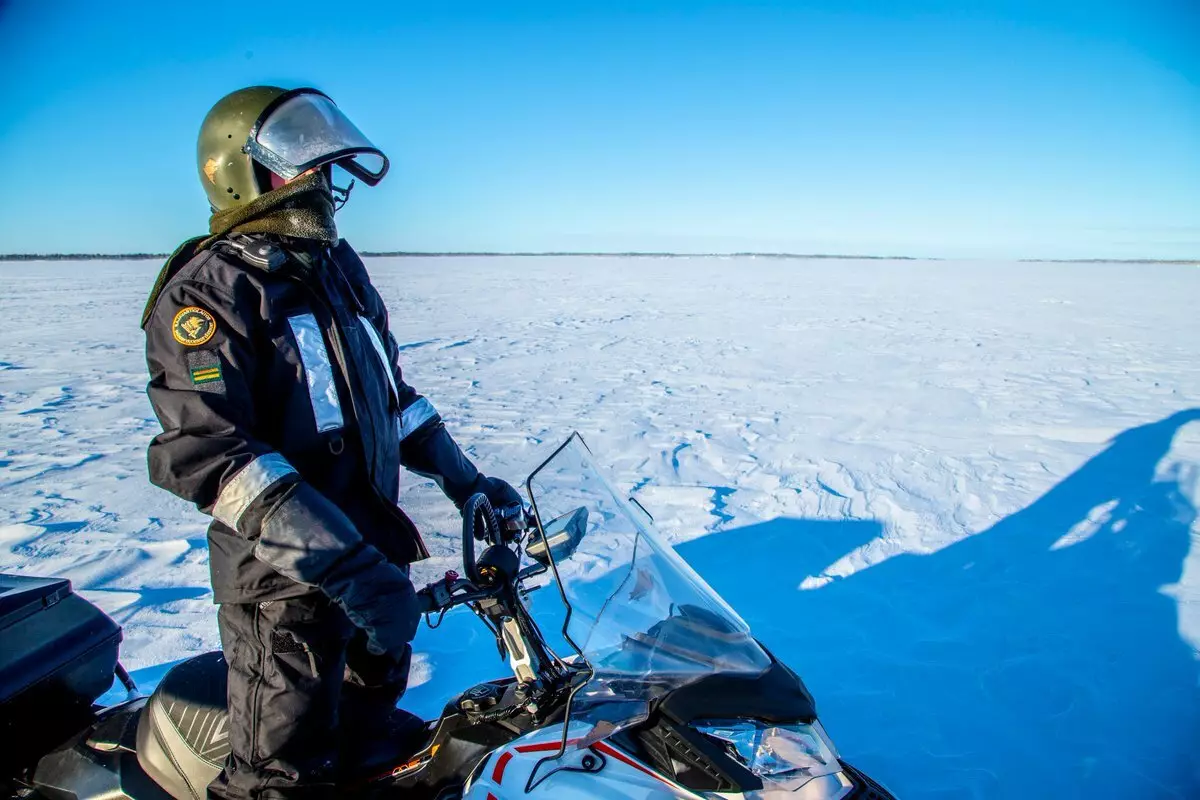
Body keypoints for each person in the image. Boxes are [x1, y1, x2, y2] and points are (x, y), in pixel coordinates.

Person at [142, 85, 523, 799]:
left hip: (371, 570)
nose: (325, 184)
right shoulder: (208, 293)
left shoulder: (334, 270)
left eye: (324, 171)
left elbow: (390, 401)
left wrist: (464, 479)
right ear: (243, 174)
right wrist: (347, 569)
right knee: (280, 781)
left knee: (366, 750)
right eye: (306, 169)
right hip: (285, 591)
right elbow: (214, 455)